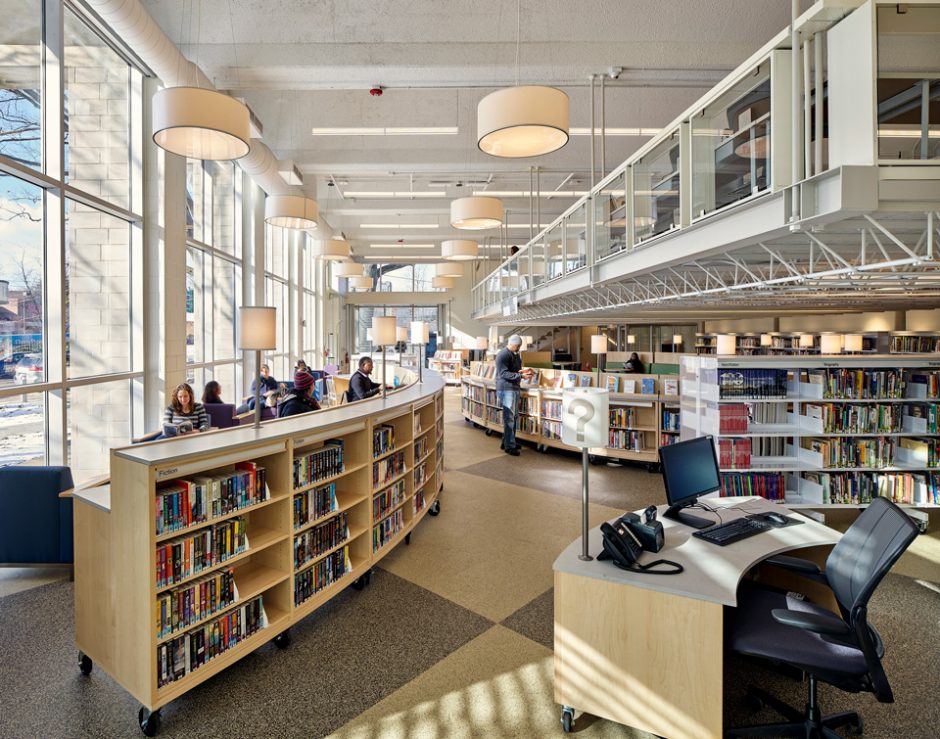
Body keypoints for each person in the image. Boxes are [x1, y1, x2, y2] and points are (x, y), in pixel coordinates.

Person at [495, 335, 533, 456]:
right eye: (517, 346)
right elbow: (503, 373)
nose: (519, 348)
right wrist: (520, 376)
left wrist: (523, 372)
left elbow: (514, 370)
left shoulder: (515, 354)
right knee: (510, 418)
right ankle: (509, 446)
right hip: (506, 389)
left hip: (514, 388)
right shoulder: (503, 355)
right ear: (512, 344)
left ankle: (507, 441)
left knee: (513, 416)